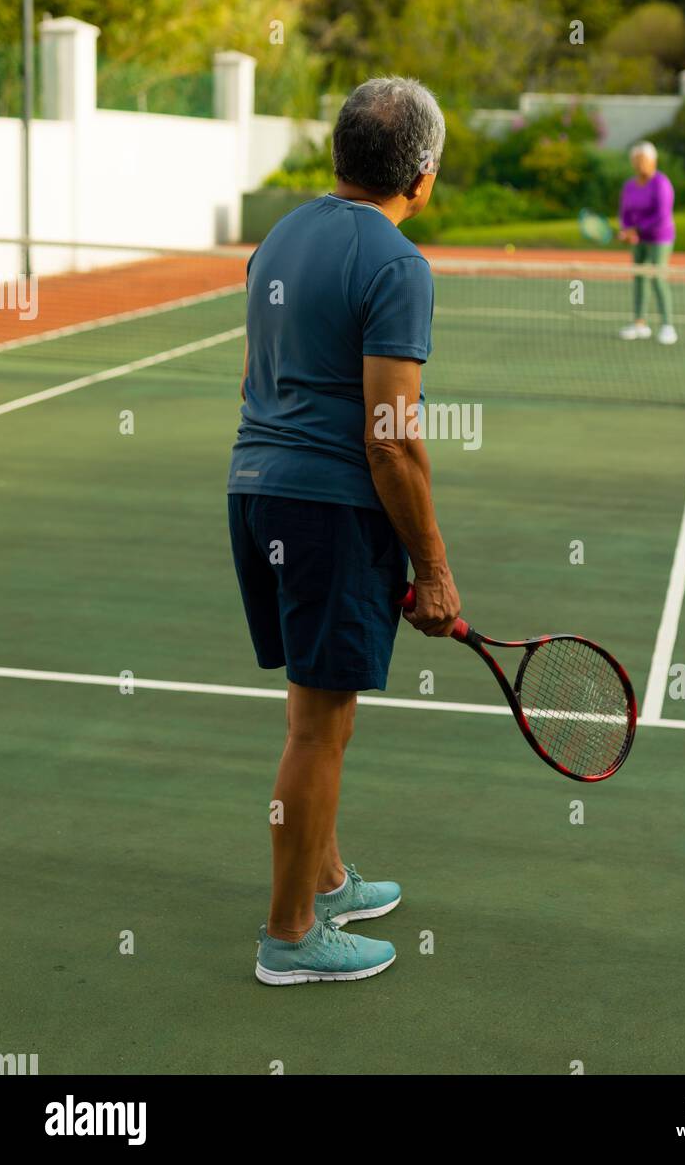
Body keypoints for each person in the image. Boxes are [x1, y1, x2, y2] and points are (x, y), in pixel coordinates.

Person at [227, 77, 460, 985]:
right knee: (319, 727)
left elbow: (257, 378)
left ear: (340, 154)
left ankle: (324, 879)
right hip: (329, 509)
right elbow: (392, 442)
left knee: (314, 710)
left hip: (256, 490)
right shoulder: (397, 263)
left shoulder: (280, 237)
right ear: (423, 175)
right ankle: (290, 938)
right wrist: (433, 570)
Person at [617, 141, 678, 345]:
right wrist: (626, 230)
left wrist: (637, 230)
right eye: (637, 160)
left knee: (657, 277)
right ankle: (639, 324)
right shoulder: (630, 186)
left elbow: (662, 215)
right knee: (639, 278)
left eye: (644, 160)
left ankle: (668, 326)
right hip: (639, 238)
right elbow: (625, 213)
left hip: (660, 238)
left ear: (653, 161)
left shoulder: (661, 183)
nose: (640, 164)